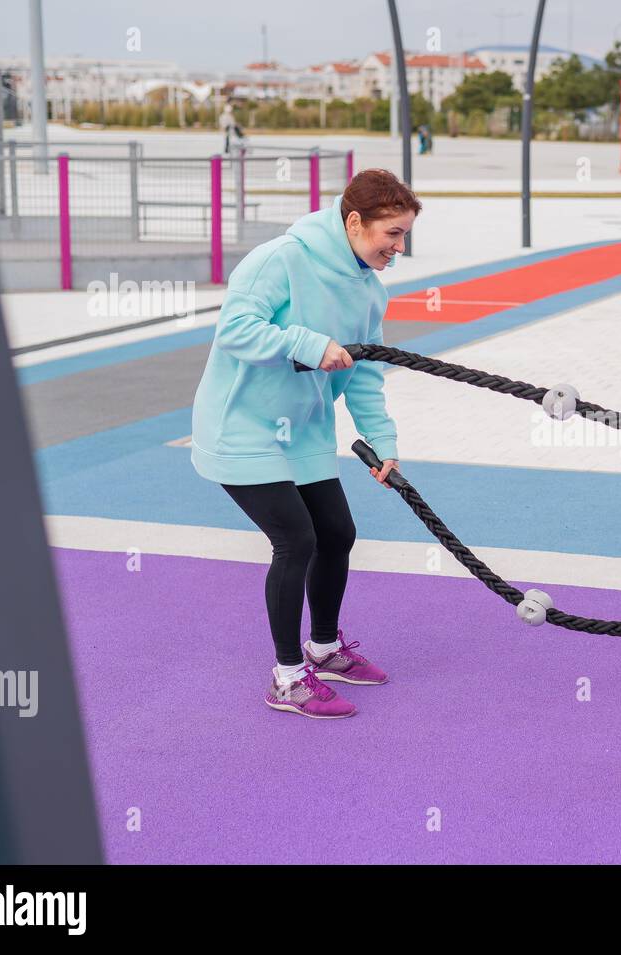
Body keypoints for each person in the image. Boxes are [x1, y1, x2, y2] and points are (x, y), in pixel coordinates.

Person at [190, 169, 421, 719]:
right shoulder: (281, 259)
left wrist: (381, 441)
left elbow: (364, 373)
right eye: (392, 234)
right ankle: (288, 677)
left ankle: (324, 648)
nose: (399, 247)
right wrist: (307, 343)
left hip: (305, 431)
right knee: (296, 540)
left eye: (405, 235)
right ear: (354, 221)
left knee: (337, 533)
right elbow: (235, 330)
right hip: (243, 428)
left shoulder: (370, 291)